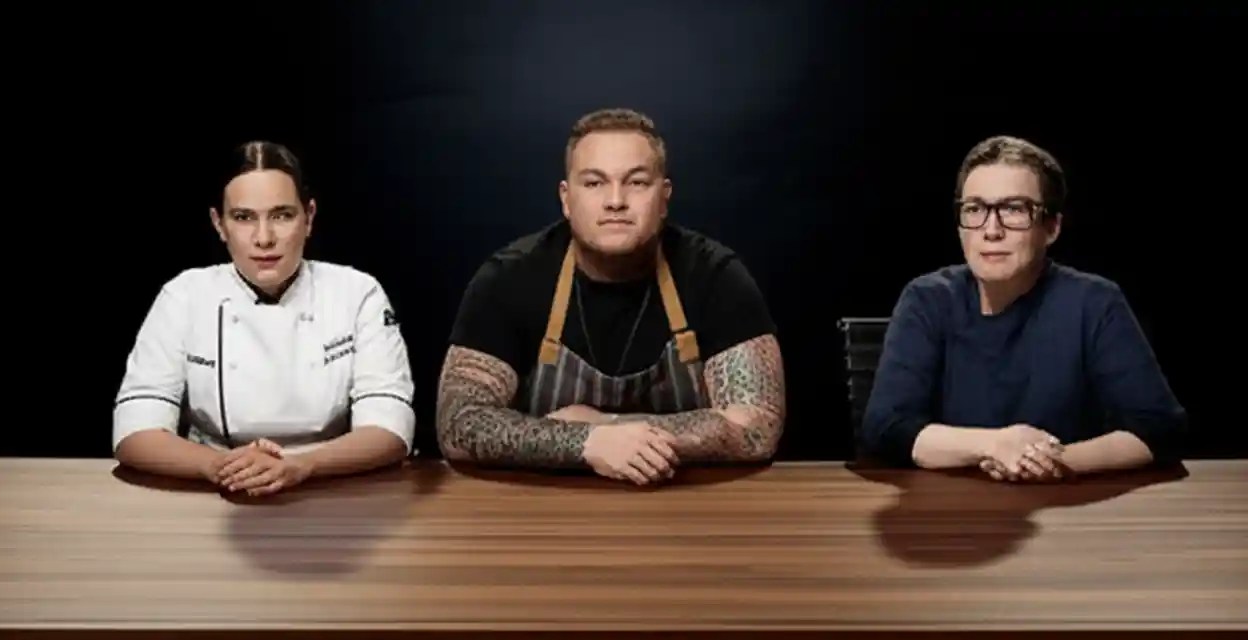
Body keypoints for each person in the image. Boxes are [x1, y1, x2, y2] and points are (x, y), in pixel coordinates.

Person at [435, 108, 785, 486]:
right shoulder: (510, 277)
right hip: (545, 506)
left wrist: (605, 426)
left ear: (664, 198)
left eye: (636, 182)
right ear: (566, 199)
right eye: (594, 183)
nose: (615, 201)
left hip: (684, 503)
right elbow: (460, 423)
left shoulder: (714, 275)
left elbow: (757, 427)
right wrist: (584, 444)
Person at [861, 135, 1186, 481]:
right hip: (949, 507)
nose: (991, 230)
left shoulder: (1095, 302)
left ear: (1051, 227)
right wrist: (994, 445)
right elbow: (886, 427)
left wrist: (1047, 463)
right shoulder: (927, 299)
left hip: (1068, 506)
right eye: (974, 209)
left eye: (1014, 209)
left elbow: (1158, 427)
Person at [112, 140, 416, 495]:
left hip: (331, 484)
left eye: (282, 215)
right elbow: (134, 431)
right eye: (243, 218)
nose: (264, 238)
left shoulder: (357, 293)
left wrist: (304, 465)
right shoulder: (184, 296)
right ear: (219, 224)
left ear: (309, 217)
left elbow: (391, 428)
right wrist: (219, 466)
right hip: (214, 490)